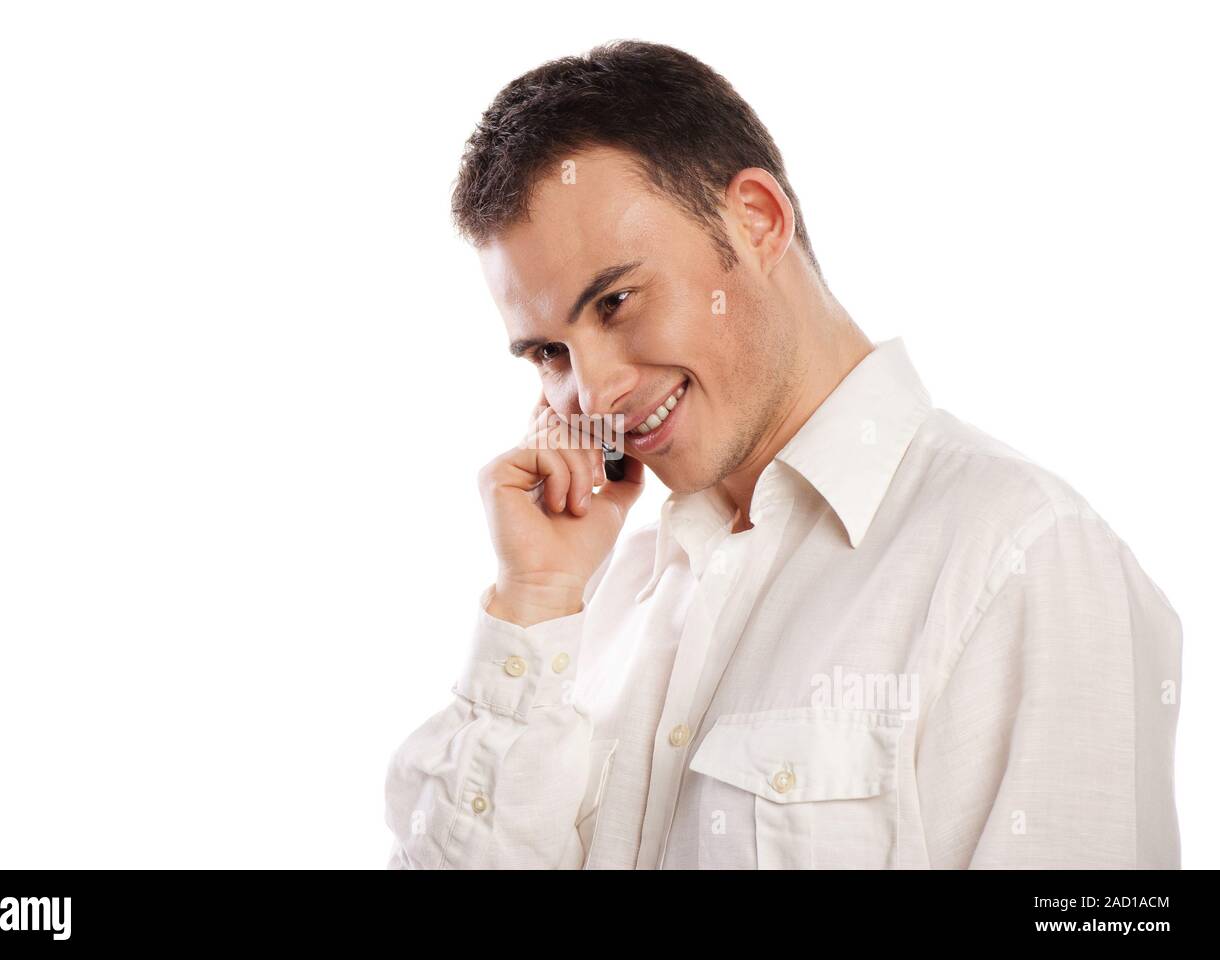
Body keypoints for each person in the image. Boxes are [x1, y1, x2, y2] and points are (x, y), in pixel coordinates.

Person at [383, 40, 1183, 869]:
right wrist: (539, 597)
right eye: (549, 353)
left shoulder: (1019, 555)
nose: (592, 395)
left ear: (757, 220)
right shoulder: (603, 608)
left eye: (616, 301)